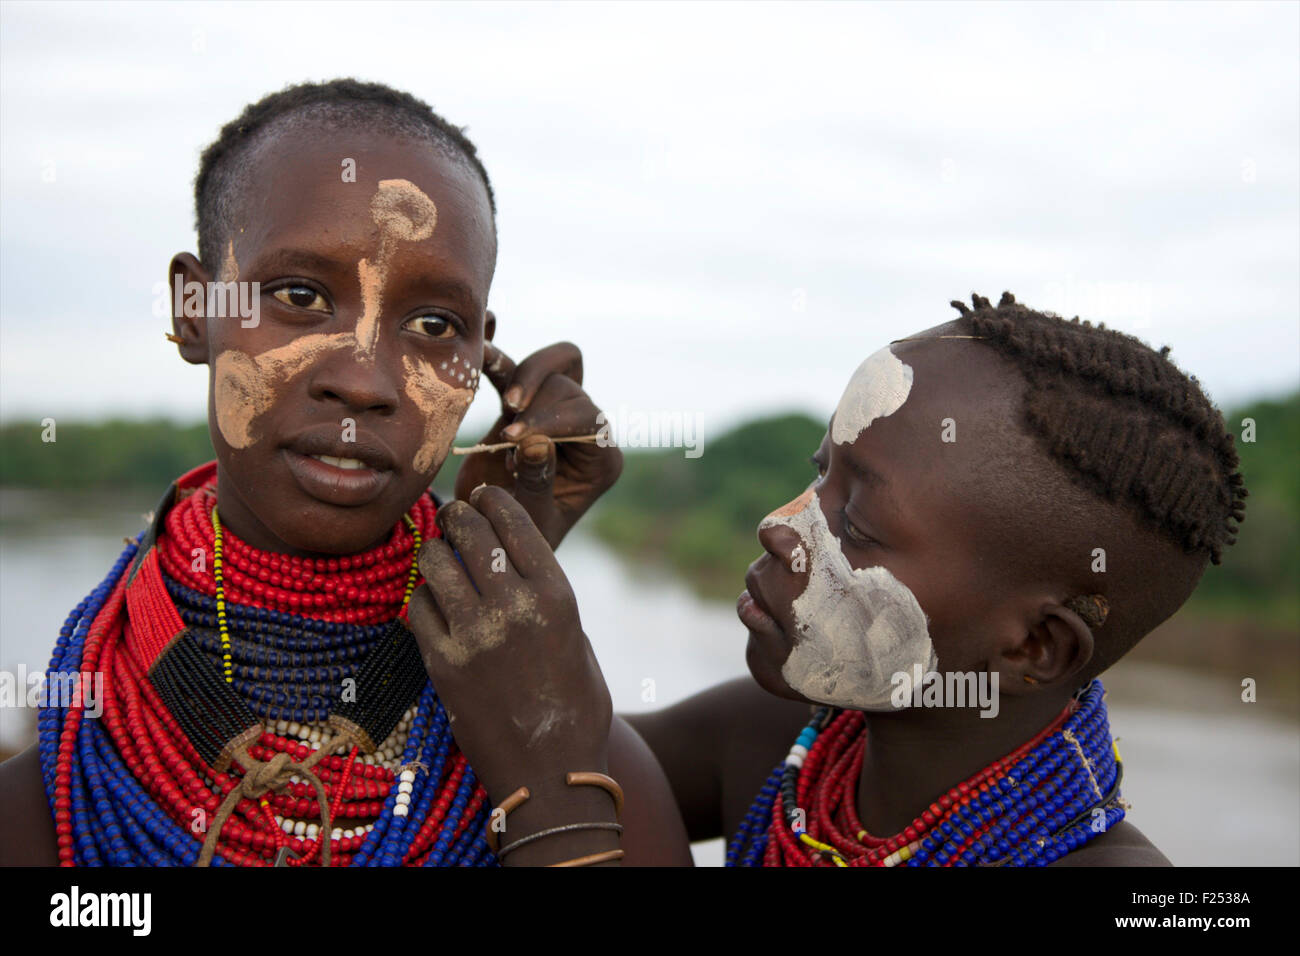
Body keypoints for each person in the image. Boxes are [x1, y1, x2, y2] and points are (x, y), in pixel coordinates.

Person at [0, 79, 689, 867]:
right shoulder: (52, 802)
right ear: (195, 306)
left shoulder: (575, 775)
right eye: (299, 295)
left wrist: (556, 803)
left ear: (479, 354)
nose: (364, 382)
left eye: (436, 325)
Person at [426, 292, 1247, 866]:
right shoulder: (782, 746)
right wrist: (505, 546)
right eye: (821, 474)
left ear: (1034, 644)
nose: (781, 524)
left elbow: (561, 784)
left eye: (855, 527)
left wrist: (562, 828)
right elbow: (501, 755)